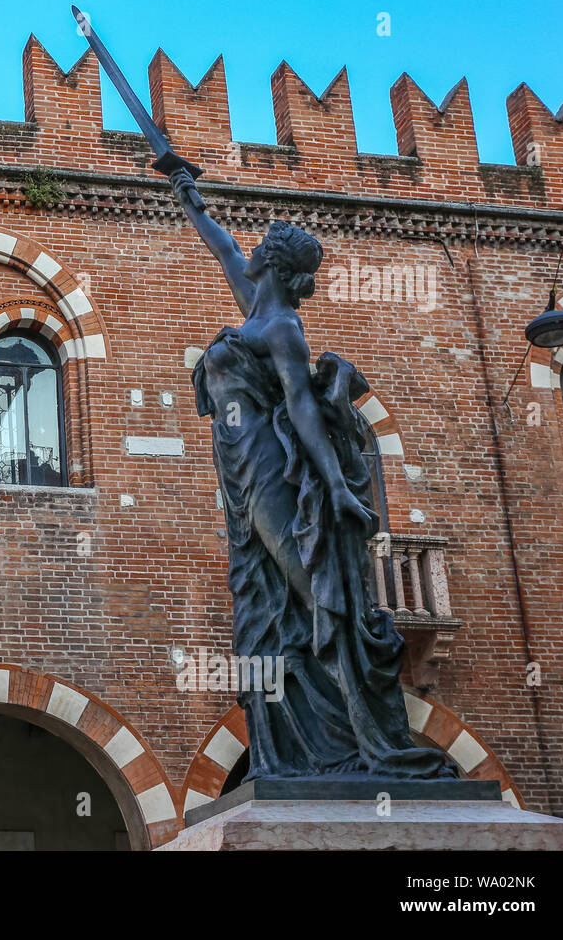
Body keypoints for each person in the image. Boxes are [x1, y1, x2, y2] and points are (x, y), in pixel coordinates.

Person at [169, 166, 456, 779]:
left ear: (269, 265)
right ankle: (298, 743)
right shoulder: (254, 311)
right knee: (264, 606)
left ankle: (364, 737)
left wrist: (335, 488)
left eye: (257, 255)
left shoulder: (281, 327)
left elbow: (301, 407)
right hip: (239, 478)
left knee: (305, 593)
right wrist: (186, 195)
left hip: (270, 469)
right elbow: (221, 243)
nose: (243, 259)